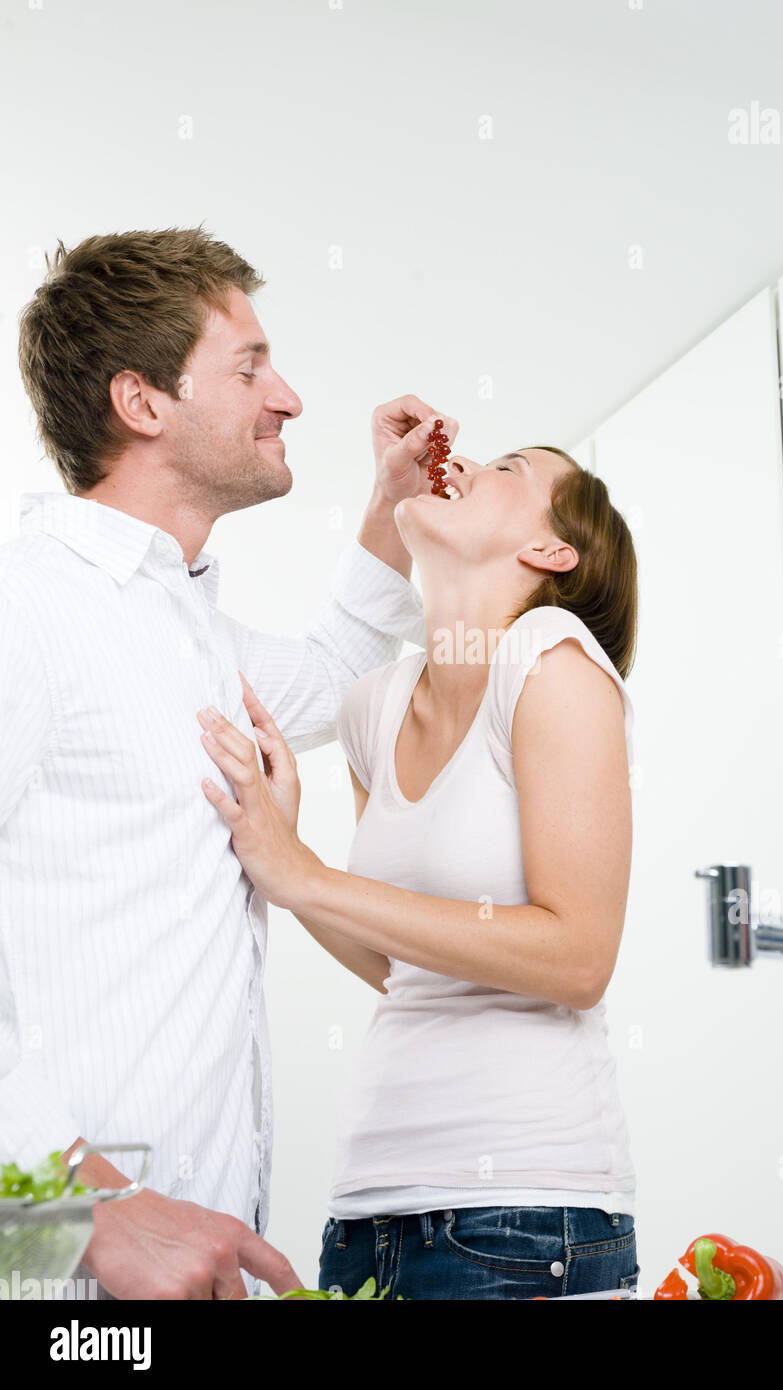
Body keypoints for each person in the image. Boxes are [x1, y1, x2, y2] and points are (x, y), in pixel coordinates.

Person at [0, 226, 441, 1298]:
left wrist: (388, 510)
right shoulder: (31, 606)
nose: (288, 396)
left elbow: (337, 666)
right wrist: (79, 1207)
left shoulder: (189, 627)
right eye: (249, 367)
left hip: (194, 1269)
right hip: (52, 1274)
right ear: (142, 403)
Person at [196, 438, 641, 1299]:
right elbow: (398, 960)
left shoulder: (551, 658)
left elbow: (579, 958)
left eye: (509, 469)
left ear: (549, 551)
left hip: (524, 1211)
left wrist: (308, 879)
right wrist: (292, 862)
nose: (468, 463)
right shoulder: (376, 705)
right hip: (369, 1207)